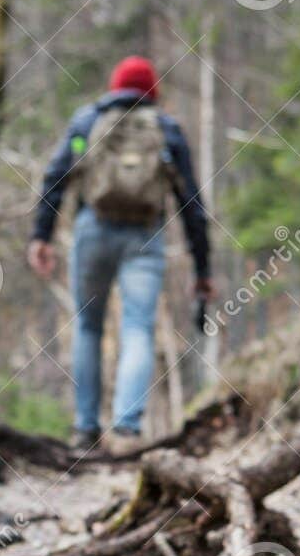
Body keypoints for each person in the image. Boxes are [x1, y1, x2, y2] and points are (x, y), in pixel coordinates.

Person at [28, 55, 213, 455]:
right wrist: (203, 268)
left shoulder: (87, 122)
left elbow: (55, 175)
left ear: (116, 86)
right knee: (137, 328)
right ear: (152, 91)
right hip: (145, 235)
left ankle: (85, 429)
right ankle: (127, 430)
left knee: (88, 328)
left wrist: (41, 234)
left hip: (92, 230)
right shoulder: (166, 128)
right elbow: (192, 204)